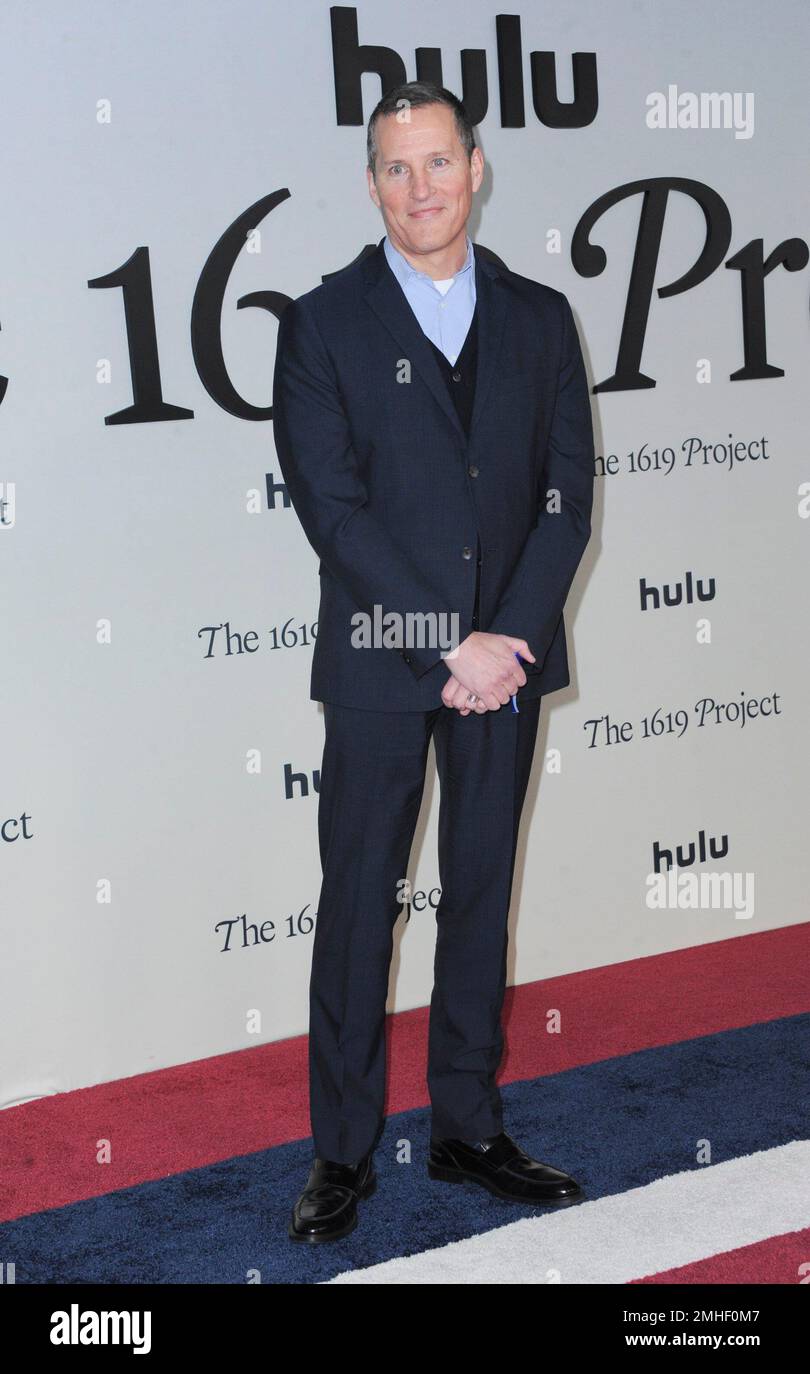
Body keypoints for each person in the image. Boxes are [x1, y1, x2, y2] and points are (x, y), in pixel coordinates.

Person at [272, 80, 595, 1243]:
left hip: (502, 665)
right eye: (396, 170)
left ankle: (466, 1128)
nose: (421, 188)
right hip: (381, 660)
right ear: (372, 185)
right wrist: (443, 637)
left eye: (439, 163)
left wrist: (502, 640)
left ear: (476, 169)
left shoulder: (543, 318)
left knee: (478, 896)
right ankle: (342, 1156)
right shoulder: (324, 323)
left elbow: (566, 501)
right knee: (360, 906)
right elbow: (335, 513)